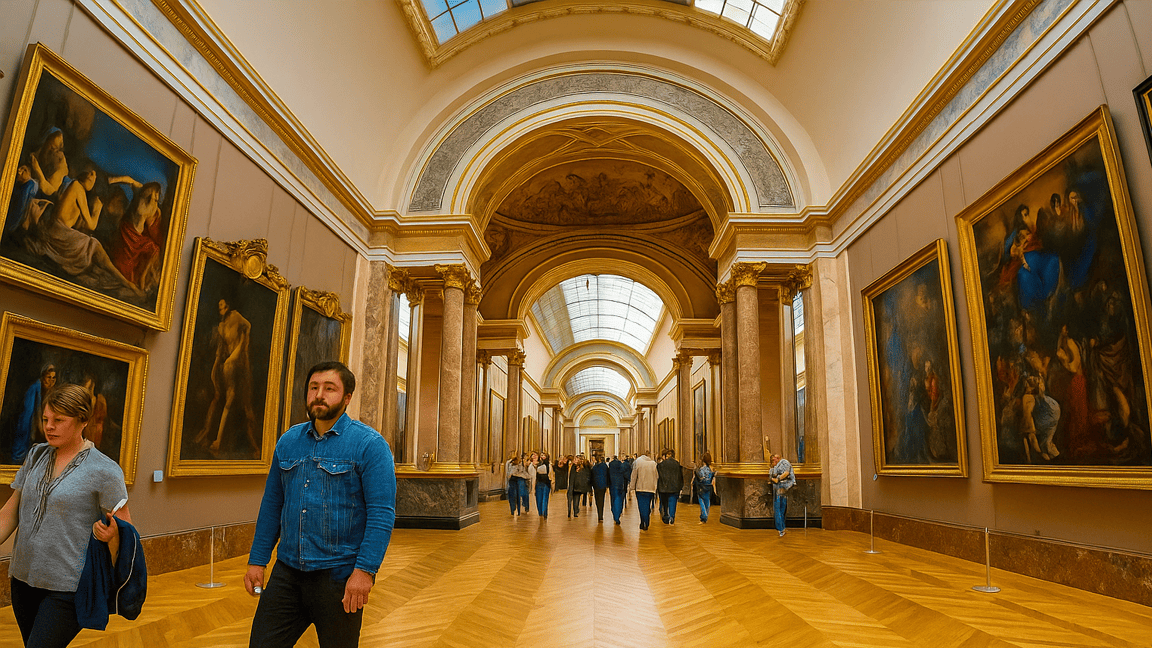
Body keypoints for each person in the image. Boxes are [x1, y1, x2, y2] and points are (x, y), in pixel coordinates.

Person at [246, 361, 396, 648]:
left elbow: (381, 514)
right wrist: (257, 559)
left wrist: (365, 571)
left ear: (347, 397)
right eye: (314, 387)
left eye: (330, 388)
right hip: (287, 573)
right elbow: (272, 504)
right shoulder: (289, 441)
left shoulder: (369, 445)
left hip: (338, 577)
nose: (319, 395)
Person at [0, 384, 131, 647]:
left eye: (59, 420)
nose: (49, 426)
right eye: (46, 419)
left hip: (68, 587)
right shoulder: (36, 455)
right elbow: (10, 513)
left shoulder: (105, 470)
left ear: (83, 421)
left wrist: (112, 535)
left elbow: (126, 531)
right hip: (23, 580)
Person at [194, 296, 261, 456]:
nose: (221, 308)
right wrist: (215, 368)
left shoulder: (236, 316)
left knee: (244, 403)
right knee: (223, 398)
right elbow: (221, 349)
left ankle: (253, 445)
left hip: (239, 362)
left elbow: (248, 327)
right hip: (229, 364)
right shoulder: (221, 326)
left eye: (223, 305)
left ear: (228, 306)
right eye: (219, 306)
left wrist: (242, 347)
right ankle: (214, 437)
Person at [11, 364, 56, 463]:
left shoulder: (51, 393)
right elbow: (31, 413)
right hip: (28, 427)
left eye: (54, 378)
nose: (51, 381)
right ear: (43, 377)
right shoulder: (34, 389)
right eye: (49, 377)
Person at [768, 453, 795, 537]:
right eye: (772, 460)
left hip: (783, 486)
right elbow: (771, 477)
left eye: (774, 459)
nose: (773, 461)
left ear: (778, 458)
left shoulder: (784, 462)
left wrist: (778, 479)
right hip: (777, 487)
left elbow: (786, 473)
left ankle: (781, 528)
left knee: (780, 507)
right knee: (779, 507)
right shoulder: (774, 467)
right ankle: (781, 528)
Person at [631, 450, 658, 531]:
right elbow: (656, 476)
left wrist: (632, 487)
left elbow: (634, 475)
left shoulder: (637, 462)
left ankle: (644, 521)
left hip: (640, 487)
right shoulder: (653, 463)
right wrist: (655, 487)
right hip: (650, 488)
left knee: (641, 506)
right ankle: (645, 521)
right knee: (647, 505)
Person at [657, 448, 683, 524]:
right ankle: (672, 516)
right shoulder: (677, 464)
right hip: (674, 487)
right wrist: (681, 486)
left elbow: (658, 476)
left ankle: (666, 515)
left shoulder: (661, 465)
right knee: (673, 502)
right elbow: (680, 476)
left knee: (665, 503)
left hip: (663, 487)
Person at [608, 455, 629, 524]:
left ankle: (614, 513)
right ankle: (617, 515)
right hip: (620, 484)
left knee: (613, 499)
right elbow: (626, 475)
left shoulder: (611, 466)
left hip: (612, 484)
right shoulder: (621, 465)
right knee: (619, 500)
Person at [695, 452, 715, 524]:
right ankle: (706, 515)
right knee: (707, 501)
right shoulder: (711, 469)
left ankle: (704, 516)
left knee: (701, 501)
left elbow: (701, 478)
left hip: (702, 486)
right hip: (709, 486)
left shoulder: (702, 469)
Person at [590, 455, 609, 522]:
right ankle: (601, 515)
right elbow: (607, 475)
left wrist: (591, 486)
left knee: (597, 500)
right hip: (603, 486)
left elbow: (591, 477)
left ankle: (599, 514)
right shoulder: (605, 466)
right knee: (602, 499)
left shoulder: (594, 468)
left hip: (596, 486)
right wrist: (607, 485)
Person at [534, 452, 552, 517]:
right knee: (539, 499)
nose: (542, 457)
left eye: (544, 455)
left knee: (545, 498)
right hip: (539, 482)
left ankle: (544, 512)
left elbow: (550, 475)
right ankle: (540, 513)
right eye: (541, 455)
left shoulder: (548, 464)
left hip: (546, 483)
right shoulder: (538, 464)